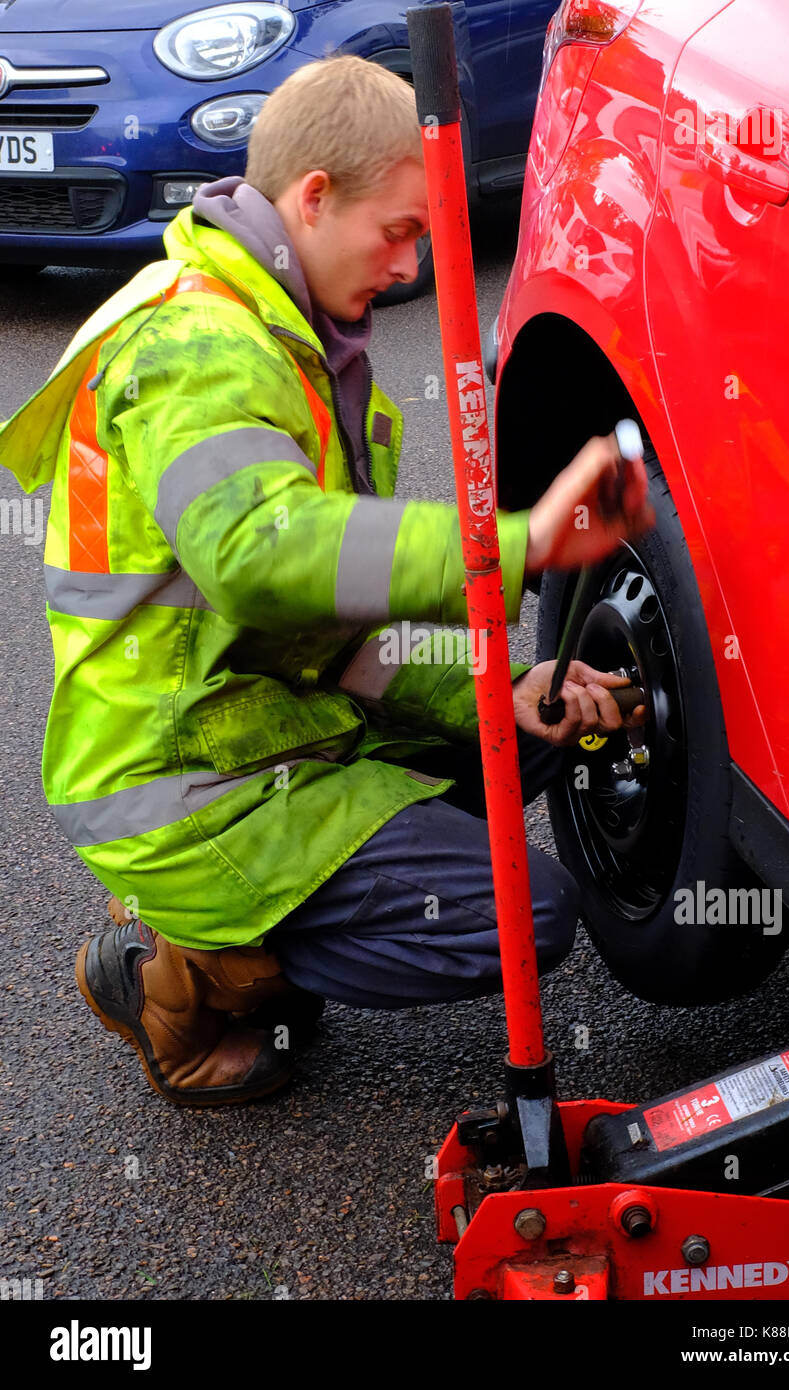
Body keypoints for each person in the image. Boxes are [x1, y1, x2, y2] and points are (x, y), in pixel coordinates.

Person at [0, 56, 653, 1108]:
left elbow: (341, 630)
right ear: (312, 197)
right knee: (529, 916)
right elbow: (258, 554)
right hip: (187, 781)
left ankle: (250, 924)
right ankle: (187, 969)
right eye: (397, 230)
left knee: (516, 722)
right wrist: (517, 542)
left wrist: (507, 684)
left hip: (272, 716)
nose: (409, 267)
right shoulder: (195, 346)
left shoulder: (299, 344)